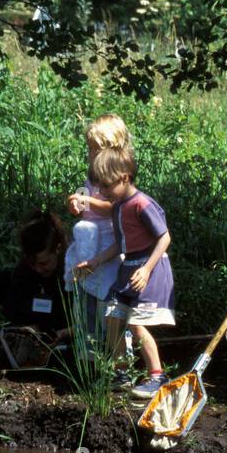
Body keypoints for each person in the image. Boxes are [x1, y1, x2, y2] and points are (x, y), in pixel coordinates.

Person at [75, 146, 175, 400]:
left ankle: (157, 375)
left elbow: (164, 237)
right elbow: (121, 244)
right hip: (128, 268)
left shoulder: (142, 204)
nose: (104, 193)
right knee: (112, 315)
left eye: (107, 187)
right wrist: (95, 261)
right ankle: (122, 373)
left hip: (148, 268)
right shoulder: (118, 207)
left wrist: (146, 269)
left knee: (136, 323)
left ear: (124, 178)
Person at [65, 114, 132, 343]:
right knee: (86, 293)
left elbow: (112, 208)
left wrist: (89, 203)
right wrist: (76, 204)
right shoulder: (91, 176)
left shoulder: (118, 178)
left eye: (96, 150)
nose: (91, 155)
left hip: (109, 243)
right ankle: (91, 347)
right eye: (90, 150)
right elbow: (84, 202)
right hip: (89, 243)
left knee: (107, 295)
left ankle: (114, 348)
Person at [0, 210, 70, 366]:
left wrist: (60, 331)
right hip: (32, 321)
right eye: (33, 263)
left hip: (62, 324)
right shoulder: (26, 269)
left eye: (44, 263)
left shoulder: (71, 270)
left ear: (58, 248)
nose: (38, 269)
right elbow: (14, 300)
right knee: (0, 280)